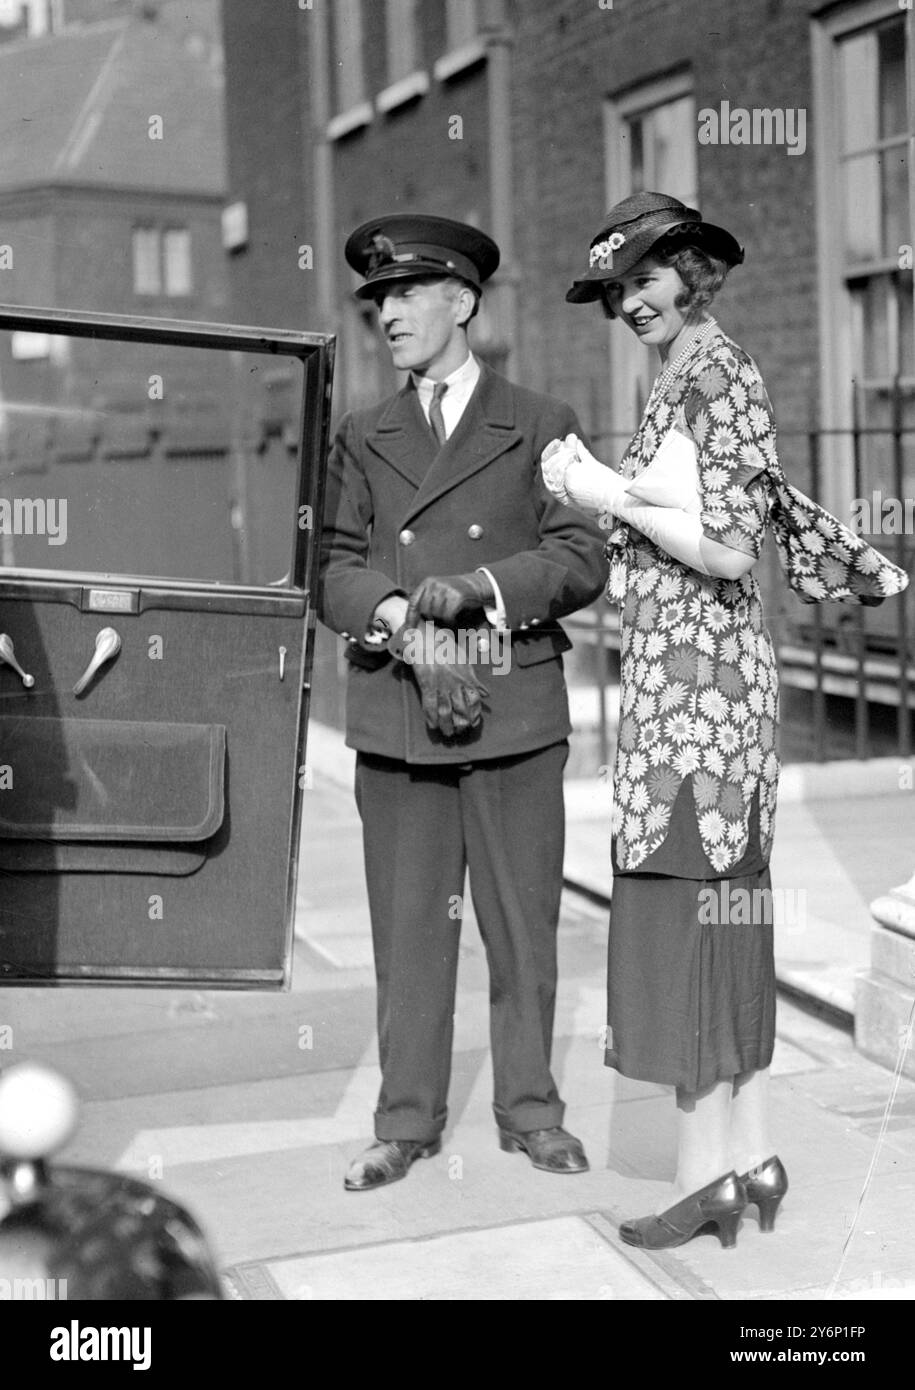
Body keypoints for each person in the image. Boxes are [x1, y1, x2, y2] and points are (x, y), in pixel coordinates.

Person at [541, 191, 908, 1248]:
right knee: (724, 919)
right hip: (695, 690)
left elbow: (734, 547)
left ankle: (706, 1174)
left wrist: (598, 486)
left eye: (647, 278)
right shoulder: (690, 374)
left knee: (689, 920)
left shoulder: (719, 372)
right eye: (618, 291)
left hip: (699, 700)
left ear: (694, 270)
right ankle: (751, 1156)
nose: (632, 302)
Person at [319, 214, 608, 1191]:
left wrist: (476, 589)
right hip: (401, 714)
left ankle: (531, 1112)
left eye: (406, 294)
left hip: (513, 713)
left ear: (464, 304)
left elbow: (580, 555)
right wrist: (406, 615)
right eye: (378, 300)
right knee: (408, 934)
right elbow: (331, 568)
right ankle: (404, 1122)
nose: (388, 314)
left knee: (522, 927)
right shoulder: (362, 434)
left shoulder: (541, 420)